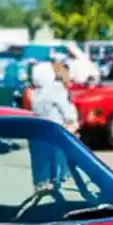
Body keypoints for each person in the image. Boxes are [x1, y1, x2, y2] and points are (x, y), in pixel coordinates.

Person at [28, 61, 79, 191]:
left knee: (42, 162)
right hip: (58, 131)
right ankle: (62, 180)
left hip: (40, 132)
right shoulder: (56, 89)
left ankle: (42, 183)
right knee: (61, 161)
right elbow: (68, 113)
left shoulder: (35, 94)